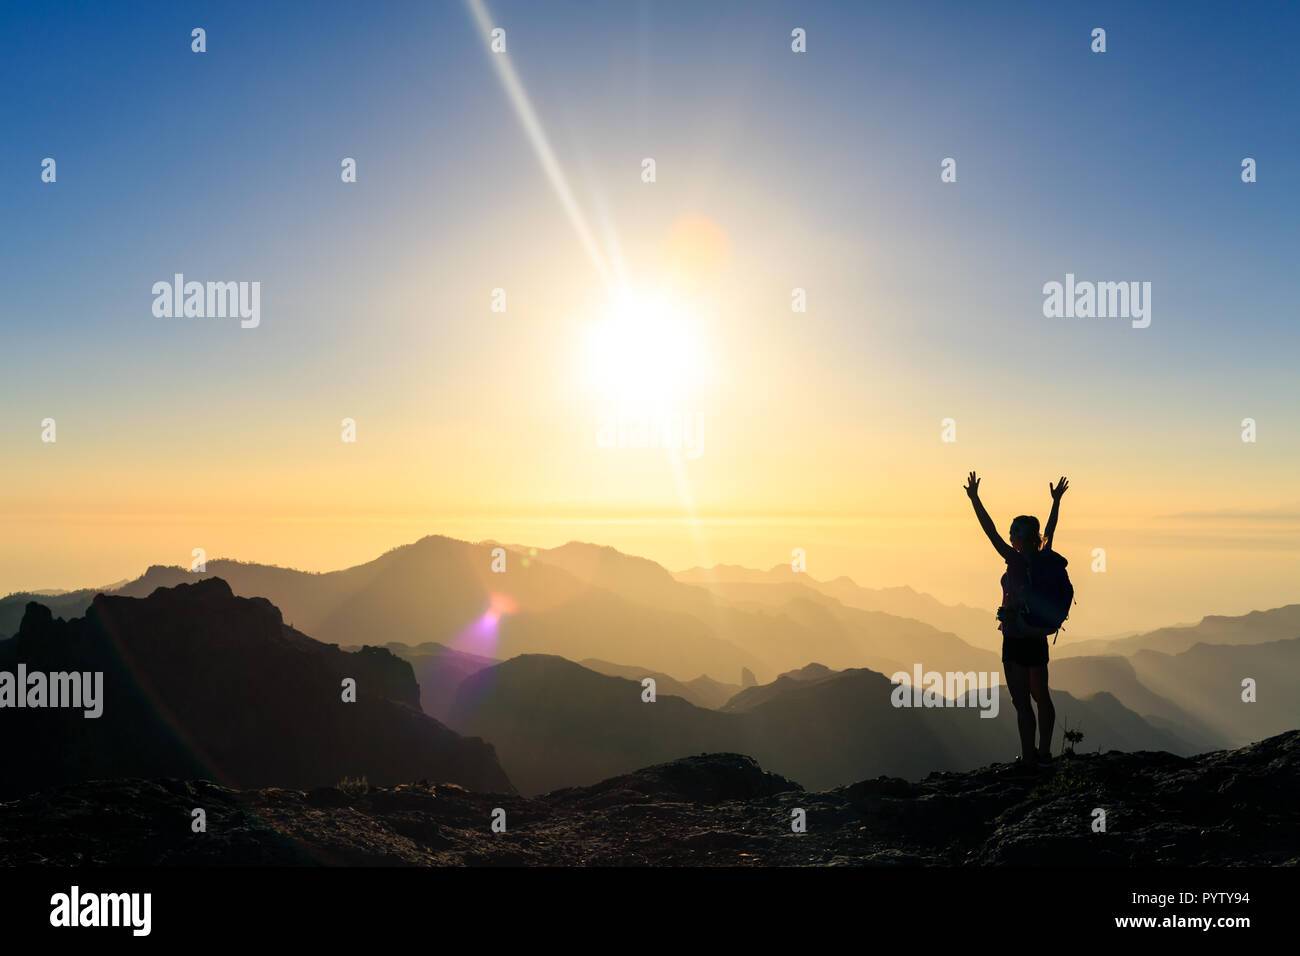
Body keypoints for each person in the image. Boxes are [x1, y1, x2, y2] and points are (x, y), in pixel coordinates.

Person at [964, 471, 1068, 770]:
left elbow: (989, 531)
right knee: (1042, 698)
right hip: (1037, 636)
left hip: (1014, 637)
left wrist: (975, 499)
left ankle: (1028, 758)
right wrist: (1056, 502)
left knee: (1022, 702)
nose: (1010, 539)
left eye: (1013, 535)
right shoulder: (1044, 557)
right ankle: (1045, 753)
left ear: (1017, 538)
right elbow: (1051, 528)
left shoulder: (1014, 558)